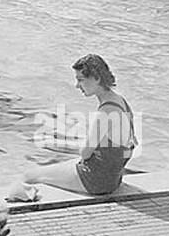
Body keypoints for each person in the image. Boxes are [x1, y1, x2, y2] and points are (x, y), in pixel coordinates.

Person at [10, 54, 138, 199]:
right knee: (59, 165)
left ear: (96, 78)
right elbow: (128, 145)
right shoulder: (121, 102)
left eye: (80, 80)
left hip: (95, 182)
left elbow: (84, 153)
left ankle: (10, 211)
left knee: (29, 175)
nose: (77, 85)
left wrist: (57, 145)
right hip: (113, 179)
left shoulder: (106, 112)